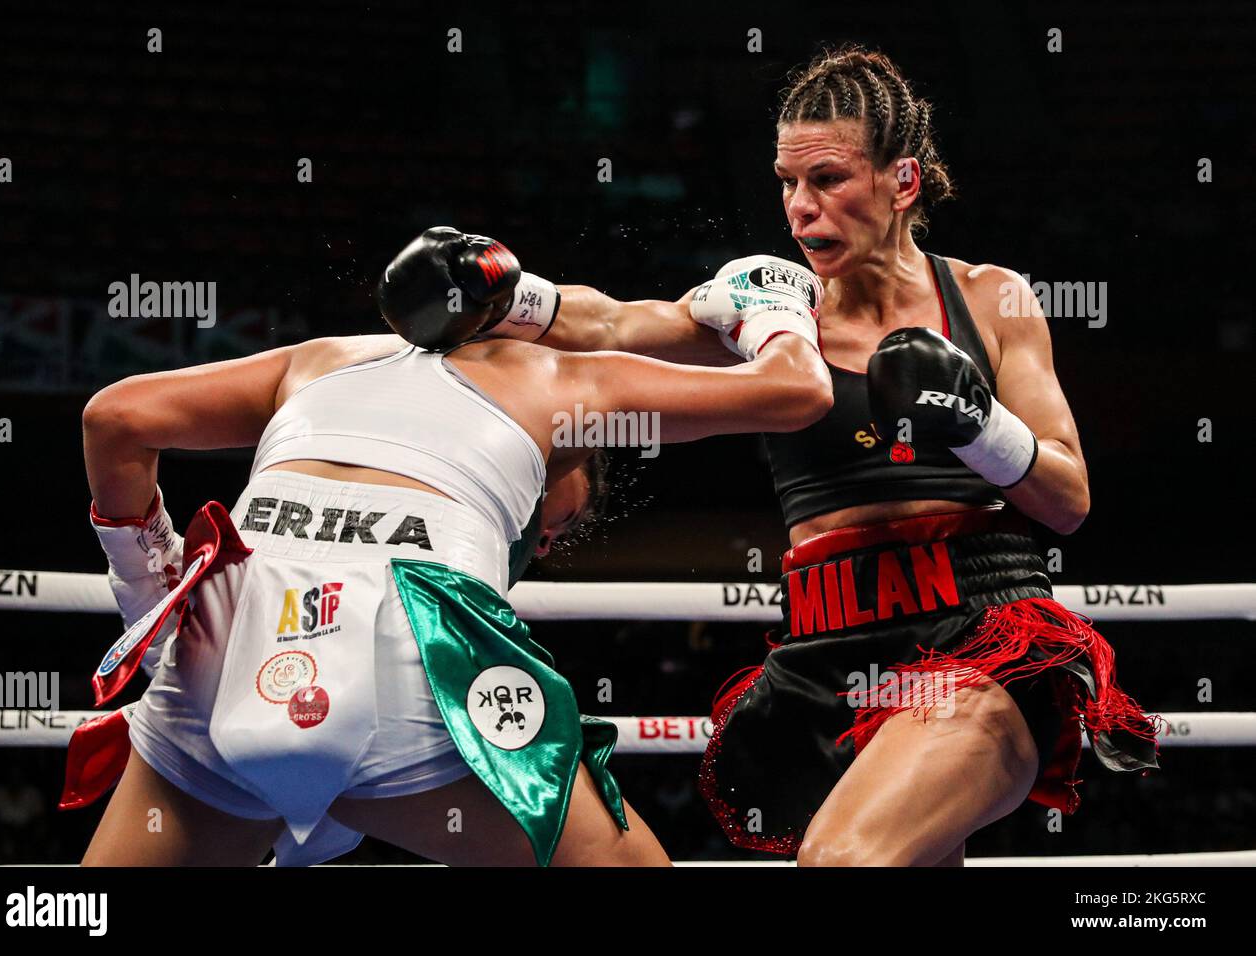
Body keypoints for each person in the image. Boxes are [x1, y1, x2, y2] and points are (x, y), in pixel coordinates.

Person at [476, 47, 1158, 866]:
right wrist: (491, 289)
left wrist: (977, 422)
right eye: (787, 183)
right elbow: (611, 324)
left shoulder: (990, 298)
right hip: (826, 657)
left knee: (843, 862)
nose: (799, 209)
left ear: (902, 182)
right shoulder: (772, 311)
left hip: (981, 640)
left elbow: (1069, 498)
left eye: (828, 179)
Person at [72, 226, 832, 866]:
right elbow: (797, 392)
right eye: (554, 520)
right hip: (411, 641)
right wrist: (776, 309)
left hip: (223, 640)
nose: (547, 534)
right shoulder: (560, 382)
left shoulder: (320, 359)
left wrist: (153, 585)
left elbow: (116, 417)